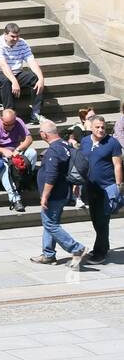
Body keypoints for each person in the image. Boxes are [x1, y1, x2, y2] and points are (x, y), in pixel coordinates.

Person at [32, 120, 87, 268]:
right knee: (50, 223)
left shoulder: (54, 150)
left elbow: (51, 175)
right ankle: (48, 254)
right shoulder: (65, 146)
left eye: (40, 133)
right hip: (63, 192)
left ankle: (76, 248)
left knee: (50, 223)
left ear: (44, 134)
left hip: (54, 195)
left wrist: (44, 195)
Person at [80, 114, 124, 264]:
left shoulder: (113, 143)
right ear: (91, 128)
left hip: (106, 188)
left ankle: (100, 252)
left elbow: (118, 165)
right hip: (90, 187)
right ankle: (103, 245)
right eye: (97, 127)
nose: (100, 130)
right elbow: (81, 163)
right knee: (95, 219)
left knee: (102, 221)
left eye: (103, 127)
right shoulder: (85, 141)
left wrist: (118, 185)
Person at [0, 23, 44, 124]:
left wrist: (41, 78)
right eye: (13, 36)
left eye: (18, 36)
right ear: (5, 34)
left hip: (16, 74)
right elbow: (2, 65)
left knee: (35, 78)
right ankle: (10, 115)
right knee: (5, 80)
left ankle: (36, 114)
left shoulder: (22, 43)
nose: (16, 39)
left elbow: (31, 61)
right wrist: (14, 81)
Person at [0, 109, 37, 213]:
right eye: (6, 124)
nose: (10, 127)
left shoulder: (18, 122)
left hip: (16, 151)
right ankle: (15, 198)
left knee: (32, 153)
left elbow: (29, 139)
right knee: (5, 168)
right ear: (1, 119)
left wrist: (18, 149)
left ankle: (25, 180)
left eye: (12, 124)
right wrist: (3, 150)